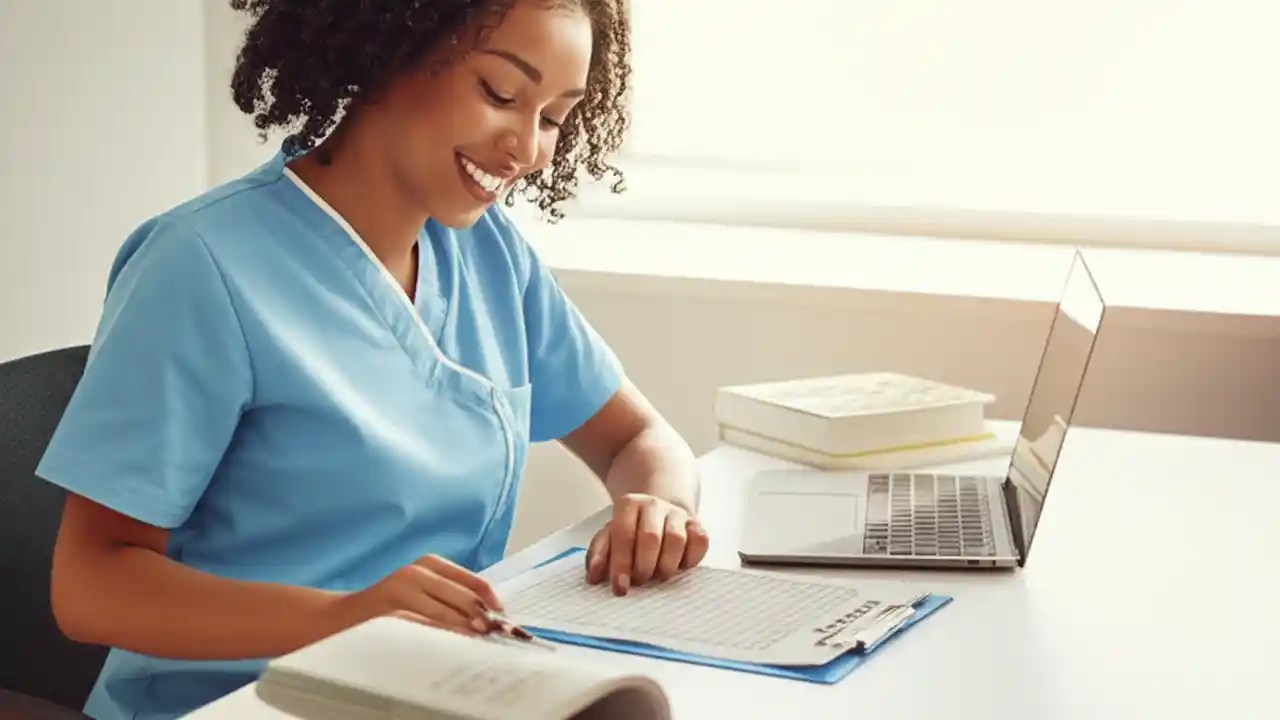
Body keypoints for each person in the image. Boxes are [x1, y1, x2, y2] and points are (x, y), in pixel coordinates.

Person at [37, 1, 708, 718]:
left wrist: (657, 509)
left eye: (552, 118)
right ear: (389, 51)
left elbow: (638, 438)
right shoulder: (199, 264)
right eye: (500, 95)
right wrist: (345, 618)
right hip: (229, 703)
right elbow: (91, 586)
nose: (530, 149)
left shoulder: (487, 255)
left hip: (426, 693)